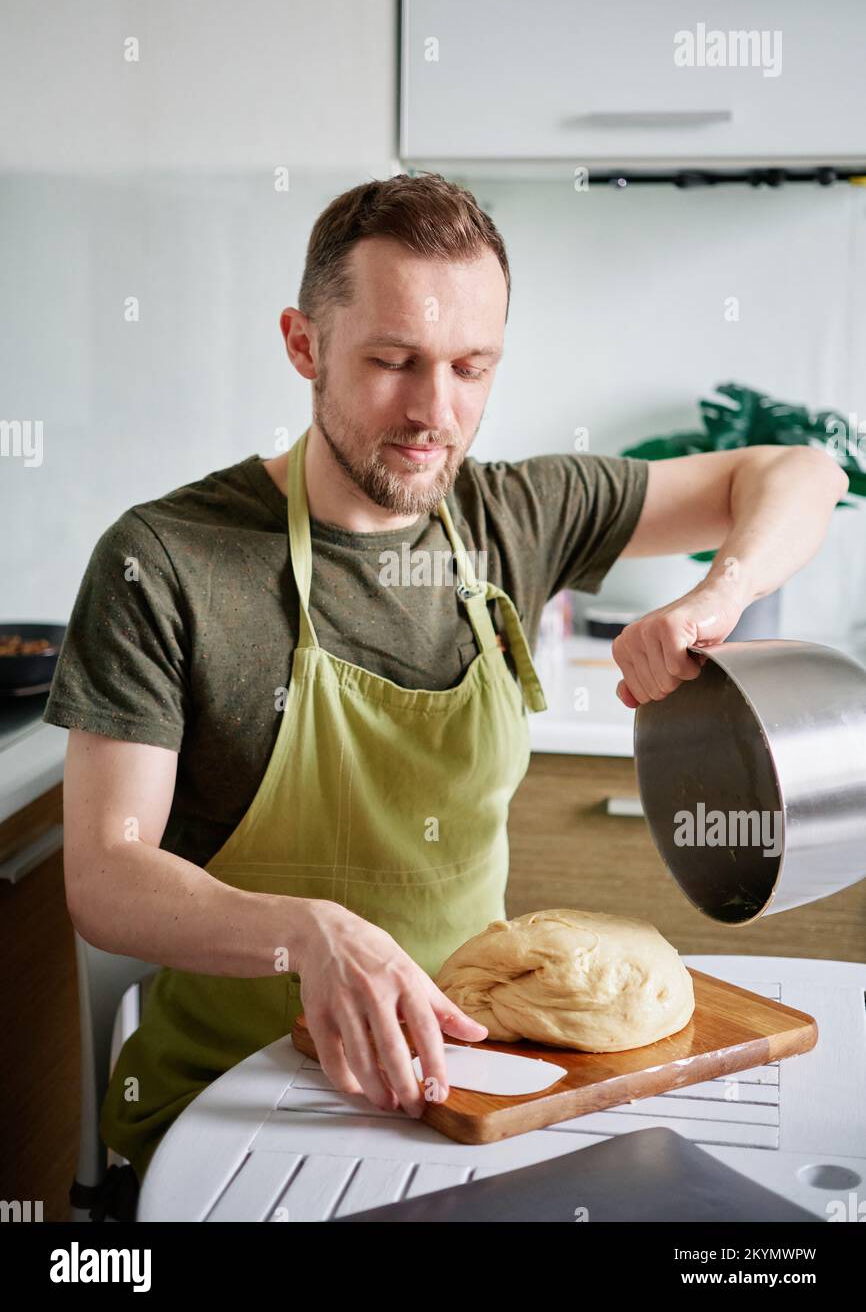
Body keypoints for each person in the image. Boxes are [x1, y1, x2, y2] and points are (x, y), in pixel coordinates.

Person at [47, 171, 848, 1199]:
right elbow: (105, 877)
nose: (434, 411)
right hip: (239, 1105)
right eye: (392, 361)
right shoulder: (165, 560)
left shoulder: (514, 516)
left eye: (472, 366)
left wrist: (714, 598)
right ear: (303, 344)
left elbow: (798, 474)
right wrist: (306, 933)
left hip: (483, 1088)